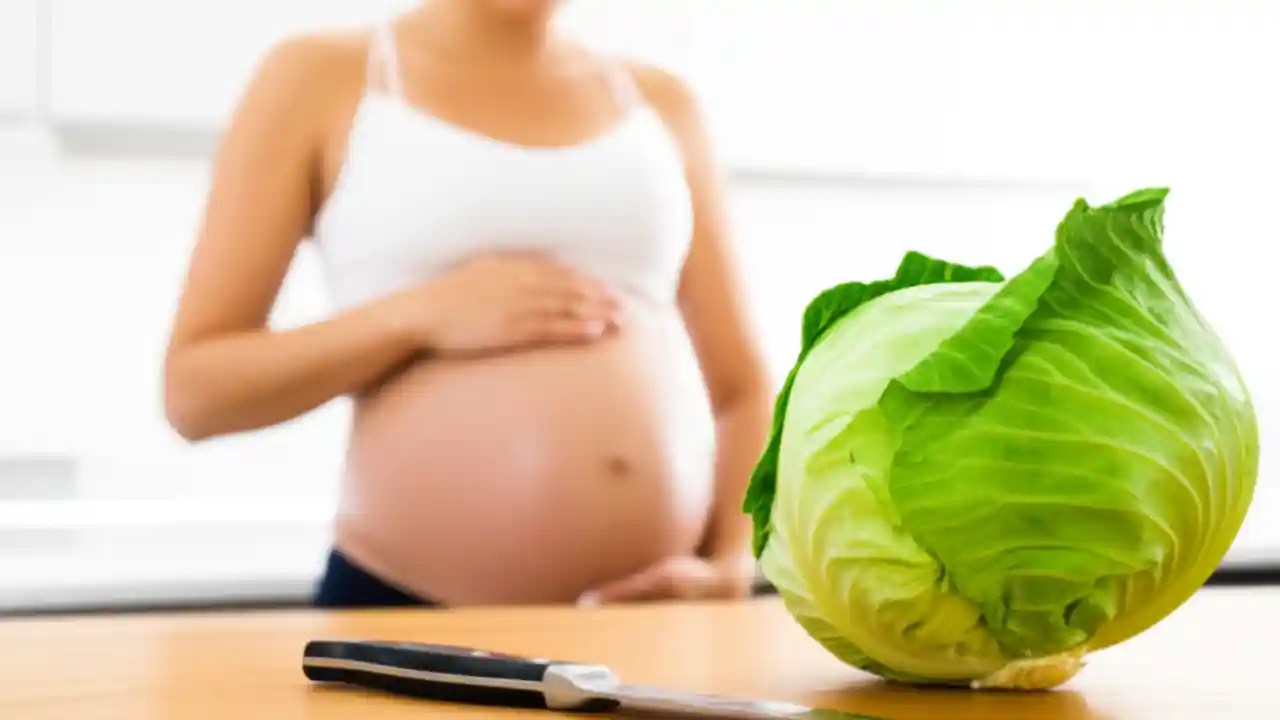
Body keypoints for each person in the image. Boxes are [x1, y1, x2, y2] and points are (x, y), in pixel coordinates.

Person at [162, 0, 772, 609]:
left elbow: (742, 389)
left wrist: (731, 561)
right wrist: (419, 316)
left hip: (649, 625)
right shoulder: (322, 76)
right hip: (404, 616)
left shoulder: (661, 103)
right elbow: (196, 392)